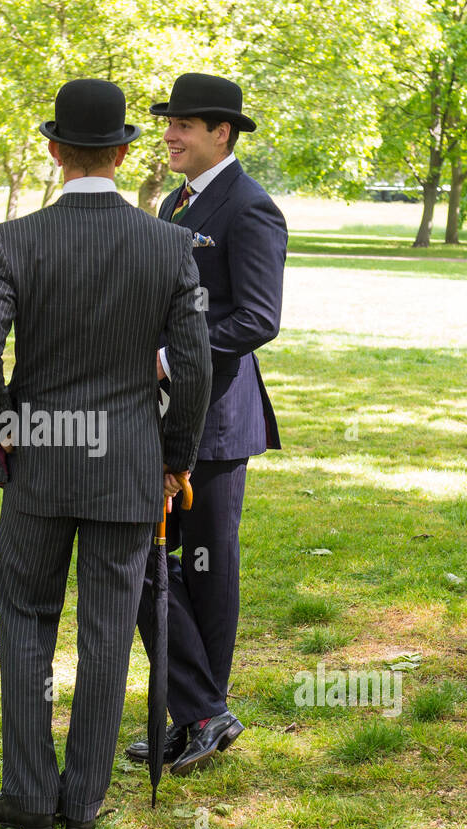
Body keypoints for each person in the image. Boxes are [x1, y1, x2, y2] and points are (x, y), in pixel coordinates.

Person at [0, 79, 212, 829]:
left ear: (52, 149)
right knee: (107, 630)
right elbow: (195, 368)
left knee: (28, 619)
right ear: (127, 151)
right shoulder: (170, 245)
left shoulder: (14, 241)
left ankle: (29, 793)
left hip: (38, 458)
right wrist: (175, 458)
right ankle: (84, 798)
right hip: (127, 464)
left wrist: (3, 424)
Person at [124, 72, 287, 776]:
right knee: (154, 562)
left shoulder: (250, 209)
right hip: (160, 415)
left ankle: (198, 712)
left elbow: (258, 318)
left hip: (217, 422)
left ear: (221, 132)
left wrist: (166, 356)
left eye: (182, 125)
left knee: (205, 569)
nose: (168, 135)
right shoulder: (173, 201)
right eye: (167, 123)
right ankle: (196, 712)